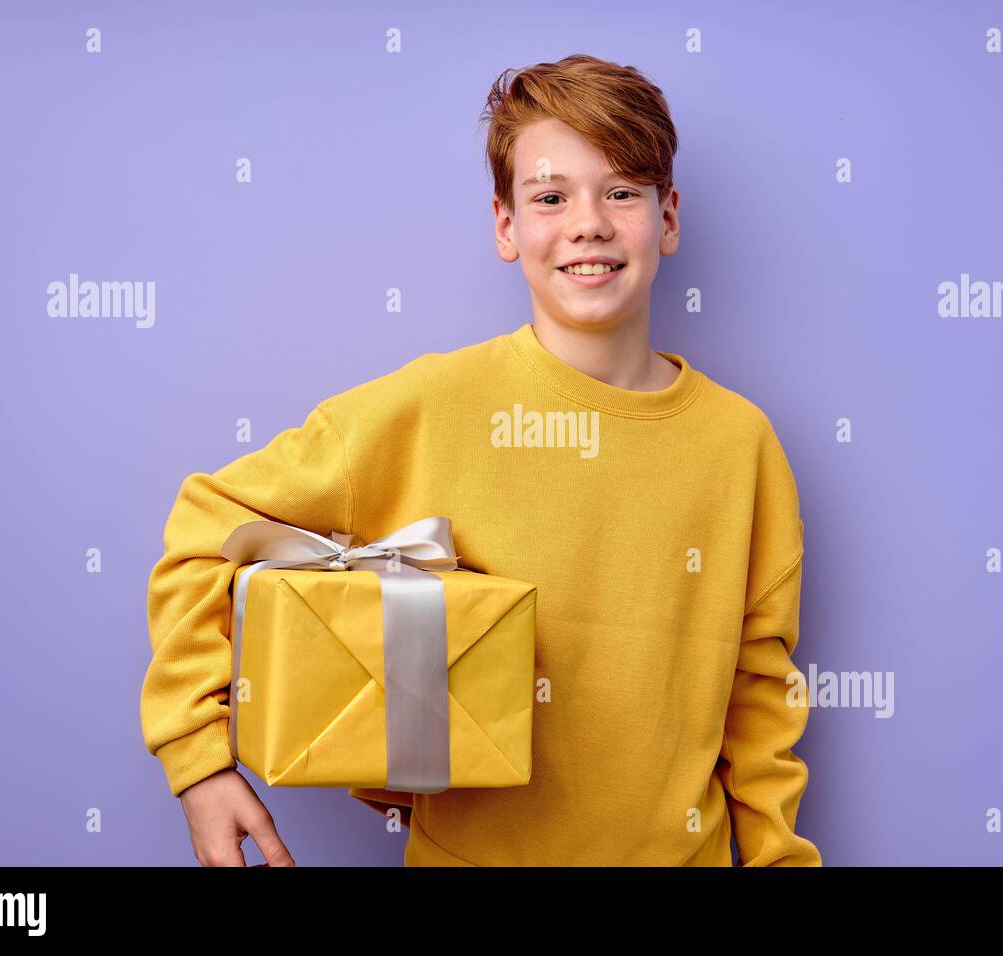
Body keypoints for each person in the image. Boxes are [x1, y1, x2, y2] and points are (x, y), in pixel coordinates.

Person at [141, 53, 821, 867]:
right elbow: (208, 521)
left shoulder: (740, 444)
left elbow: (759, 695)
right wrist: (199, 760)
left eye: (621, 192)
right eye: (549, 196)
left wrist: (780, 855)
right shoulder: (435, 405)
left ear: (667, 217)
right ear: (506, 226)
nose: (588, 223)